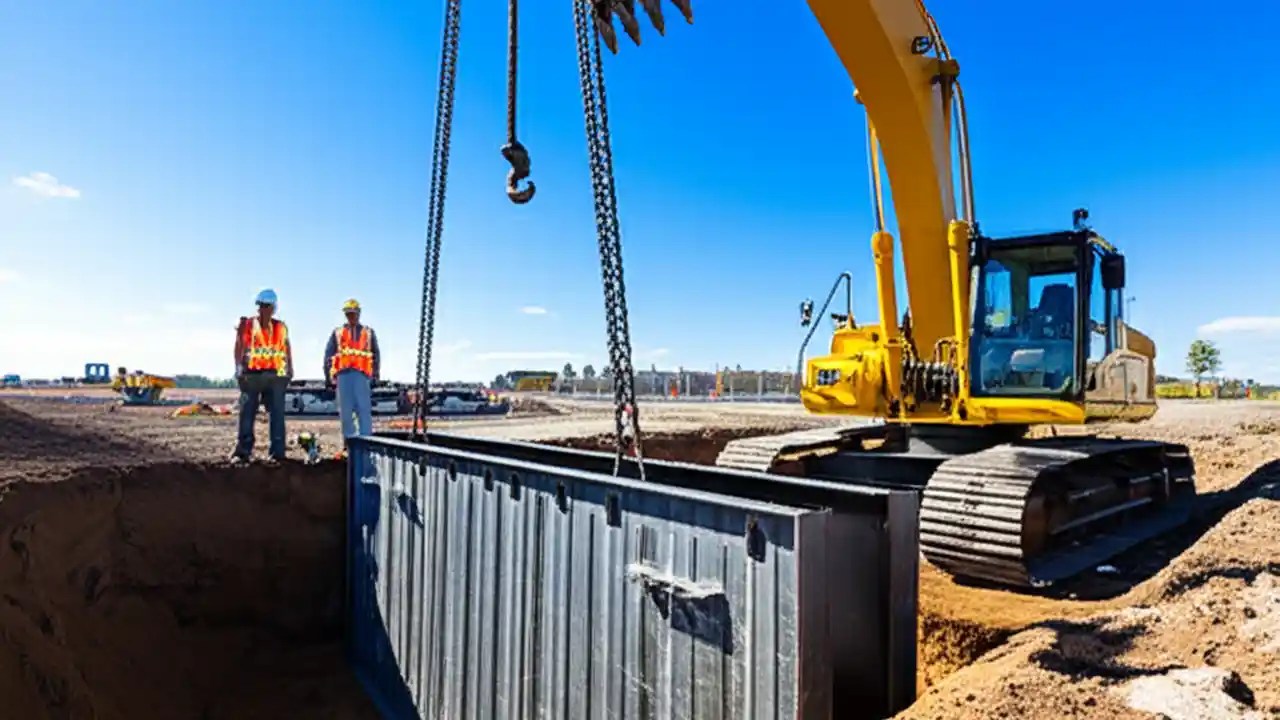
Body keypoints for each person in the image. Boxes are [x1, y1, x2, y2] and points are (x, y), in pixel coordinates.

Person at [231, 288, 293, 464]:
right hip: (251, 376)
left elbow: (286, 349)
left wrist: (289, 369)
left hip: (275, 377)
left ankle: (277, 453)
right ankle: (243, 451)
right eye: (261, 306)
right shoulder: (248, 325)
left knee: (277, 415)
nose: (263, 310)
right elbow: (239, 346)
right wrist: (238, 368)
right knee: (247, 413)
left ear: (273, 308)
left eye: (267, 306)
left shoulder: (281, 327)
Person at [324, 298, 380, 444]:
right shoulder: (338, 333)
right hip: (343, 376)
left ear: (359, 313)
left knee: (363, 411)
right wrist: (328, 376)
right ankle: (349, 444)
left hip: (362, 376)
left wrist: (376, 375)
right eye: (348, 314)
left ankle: (366, 443)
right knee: (346, 413)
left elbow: (375, 354)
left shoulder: (368, 333)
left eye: (353, 313)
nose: (351, 316)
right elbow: (328, 355)